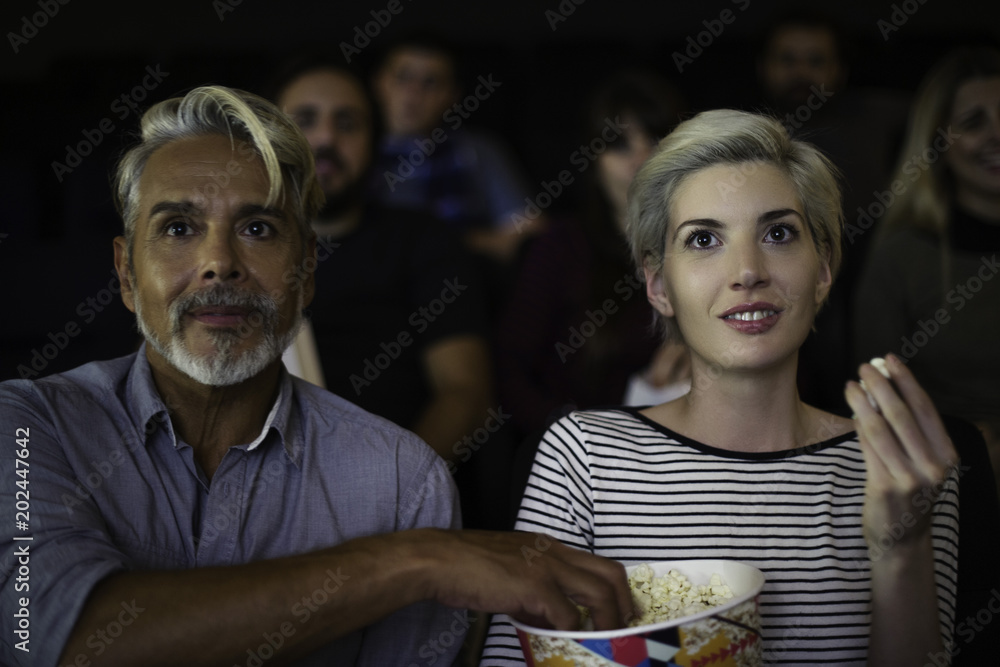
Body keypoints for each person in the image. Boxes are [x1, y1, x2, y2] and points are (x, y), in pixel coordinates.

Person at [0, 85, 636, 667]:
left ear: (306, 273)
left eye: (257, 228)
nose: (219, 262)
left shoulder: (402, 480)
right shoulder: (28, 428)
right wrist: (411, 560)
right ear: (126, 274)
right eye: (178, 228)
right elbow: (55, 637)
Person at [481, 109, 1000, 665]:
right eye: (703, 239)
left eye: (778, 233)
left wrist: (902, 549)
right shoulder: (582, 454)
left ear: (823, 268)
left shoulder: (909, 468)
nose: (747, 270)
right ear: (659, 285)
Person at [273, 60, 496, 468]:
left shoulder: (425, 240)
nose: (325, 138)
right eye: (305, 121)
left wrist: (391, 491)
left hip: (396, 484)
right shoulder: (231, 248)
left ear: (375, 140)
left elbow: (465, 394)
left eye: (348, 123)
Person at [496, 70, 687, 441]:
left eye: (656, 140)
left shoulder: (717, 242)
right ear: (594, 159)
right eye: (619, 145)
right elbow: (509, 372)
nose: (641, 160)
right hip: (591, 456)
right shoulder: (560, 247)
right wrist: (574, 435)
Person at [853, 46, 1000, 507]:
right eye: (975, 122)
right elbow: (874, 399)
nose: (998, 134)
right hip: (956, 473)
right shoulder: (902, 256)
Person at [755, 9, 911, 414]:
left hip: (870, 261)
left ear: (839, 69)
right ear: (764, 66)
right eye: (787, 60)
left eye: (816, 61)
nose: (800, 72)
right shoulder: (744, 131)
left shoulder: (880, 114)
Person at [370, 34, 542, 263]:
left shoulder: (479, 150)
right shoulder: (355, 153)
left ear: (452, 96)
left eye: (430, 82)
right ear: (380, 83)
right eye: (403, 77)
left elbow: (531, 236)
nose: (414, 93)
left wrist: (451, 243)